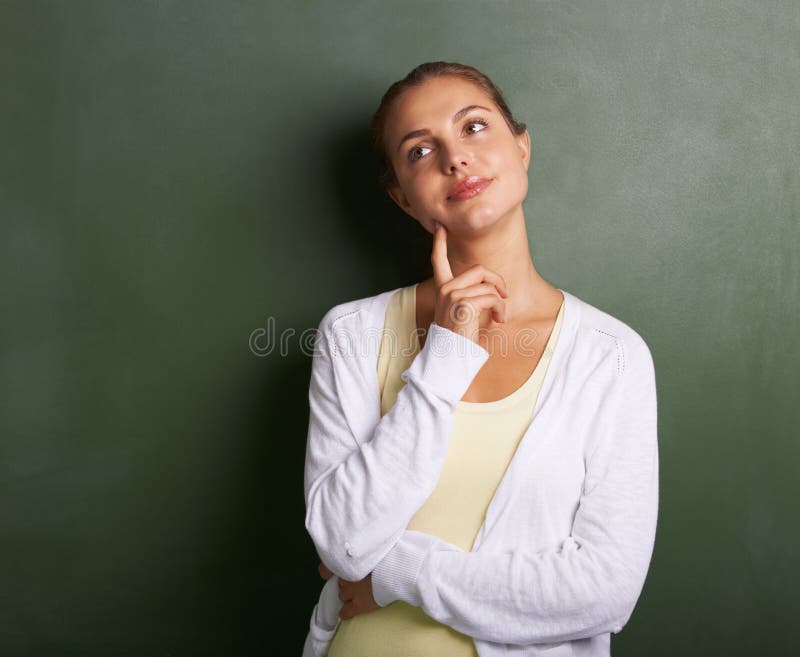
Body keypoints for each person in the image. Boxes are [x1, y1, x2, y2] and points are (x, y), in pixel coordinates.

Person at [301, 61, 659, 657]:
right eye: (419, 151)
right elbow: (341, 545)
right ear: (400, 195)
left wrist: (392, 574)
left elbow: (604, 592)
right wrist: (447, 353)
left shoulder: (612, 356)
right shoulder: (353, 334)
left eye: (473, 127)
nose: (454, 159)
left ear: (521, 146)